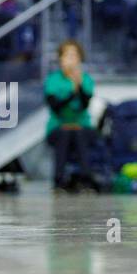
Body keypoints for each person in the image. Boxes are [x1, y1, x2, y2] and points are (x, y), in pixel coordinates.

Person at [45, 39, 99, 191]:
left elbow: (84, 105)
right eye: (67, 55)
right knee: (64, 134)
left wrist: (79, 86)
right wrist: (71, 91)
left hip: (82, 127)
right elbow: (55, 107)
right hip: (58, 128)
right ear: (60, 59)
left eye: (74, 55)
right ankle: (58, 181)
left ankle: (86, 180)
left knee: (79, 134)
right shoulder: (53, 80)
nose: (71, 59)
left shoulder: (86, 79)